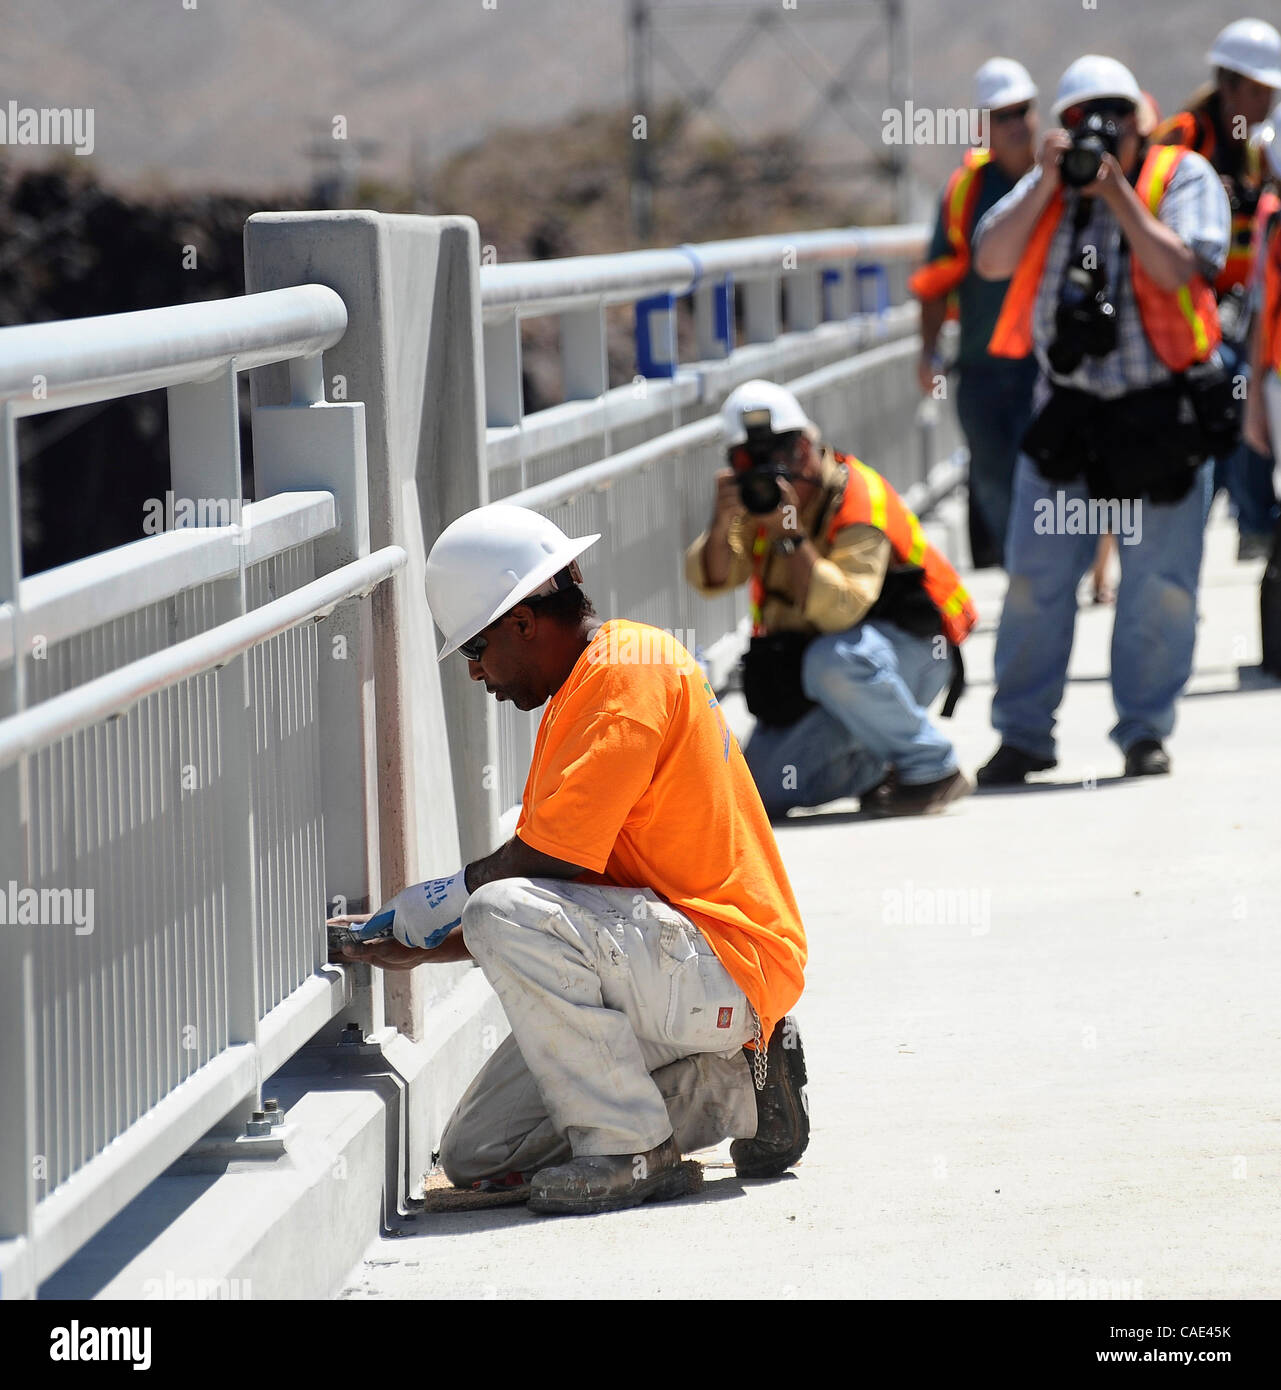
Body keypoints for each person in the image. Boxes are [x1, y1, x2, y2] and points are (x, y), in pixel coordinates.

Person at [331, 503, 809, 1216]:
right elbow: (567, 896)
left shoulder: (625, 677)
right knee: (480, 1156)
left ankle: (631, 1150)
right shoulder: (584, 688)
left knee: (493, 901)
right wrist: (423, 948)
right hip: (666, 969)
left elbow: (533, 877)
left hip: (723, 961)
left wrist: (442, 897)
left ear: (523, 621)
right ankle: (737, 1084)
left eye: (474, 648)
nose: (475, 673)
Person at [972, 55, 1232, 784]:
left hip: (1160, 418)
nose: (1100, 130)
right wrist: (1050, 182)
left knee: (1160, 585)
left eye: (1115, 114)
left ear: (1139, 121)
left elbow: (1183, 267)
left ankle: (1143, 730)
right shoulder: (1050, 185)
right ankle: (1023, 735)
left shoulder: (1179, 178)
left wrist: (1118, 194)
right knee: (1032, 580)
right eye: (1084, 118)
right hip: (1071, 417)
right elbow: (988, 259)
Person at [684, 379, 977, 819]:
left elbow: (843, 609)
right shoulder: (757, 503)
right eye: (747, 459)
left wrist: (789, 536)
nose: (765, 471)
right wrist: (722, 520)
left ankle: (932, 767)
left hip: (906, 654)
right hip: (822, 669)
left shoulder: (860, 499)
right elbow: (714, 578)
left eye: (777, 453)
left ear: (804, 447)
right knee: (758, 788)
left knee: (834, 661)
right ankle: (875, 767)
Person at [1153, 18, 1281, 558]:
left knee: (1250, 389)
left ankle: (1254, 522)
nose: (1268, 100)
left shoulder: (1255, 150)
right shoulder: (1182, 137)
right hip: (1186, 308)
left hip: (1241, 306)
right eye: (1259, 89)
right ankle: (1233, 523)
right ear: (1230, 85)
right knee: (1226, 394)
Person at [911, 58, 1042, 569]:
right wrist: (927, 350)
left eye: (1022, 111)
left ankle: (1048, 567)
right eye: (1001, 115)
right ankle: (1021, 569)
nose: (1014, 124)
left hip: (1049, 365)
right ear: (983, 125)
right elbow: (935, 279)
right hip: (982, 367)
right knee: (991, 473)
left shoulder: (1059, 179)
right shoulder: (966, 191)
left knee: (1049, 473)